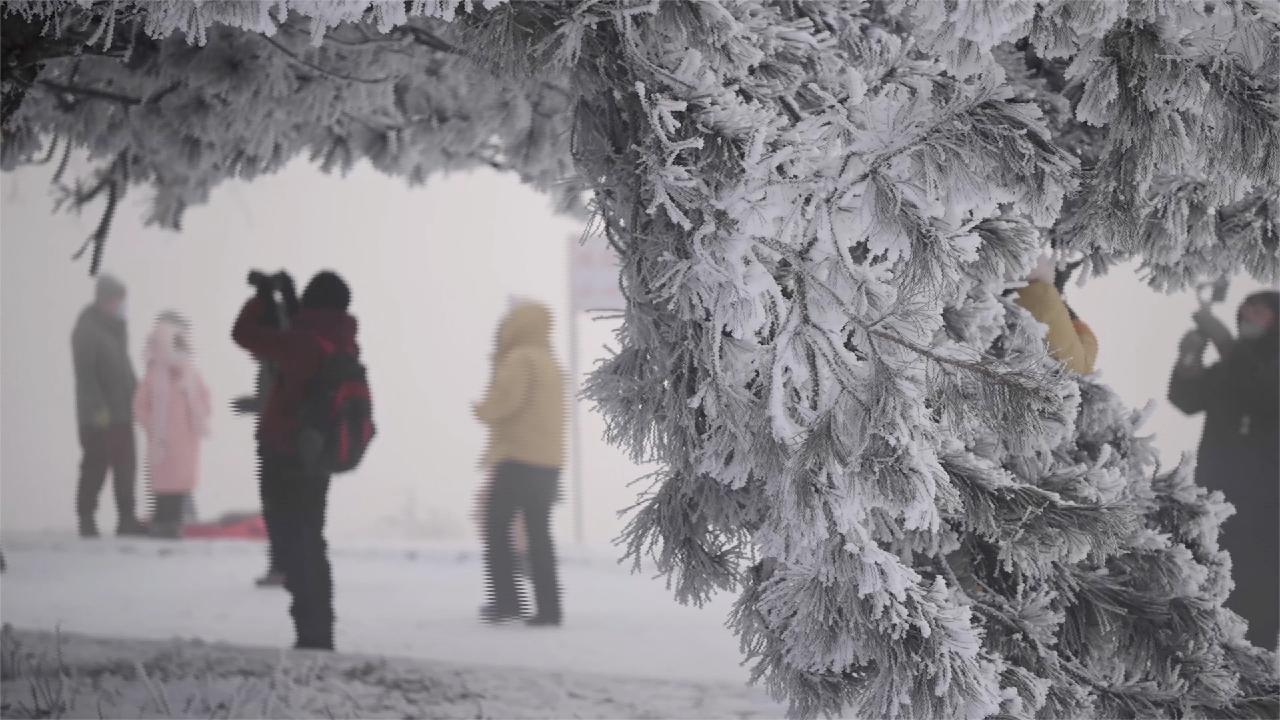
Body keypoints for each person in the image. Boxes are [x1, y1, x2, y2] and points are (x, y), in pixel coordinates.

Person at [233, 269, 358, 650]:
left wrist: (261, 298)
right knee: (310, 539)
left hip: (284, 451)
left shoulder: (302, 342)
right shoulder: (342, 340)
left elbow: (245, 335)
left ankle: (312, 630)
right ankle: (318, 628)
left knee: (292, 543)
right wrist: (286, 298)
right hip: (316, 455)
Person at [1169, 290, 1279, 649]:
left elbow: (1265, 390)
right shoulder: (1231, 367)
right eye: (1245, 308)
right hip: (1217, 488)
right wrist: (1191, 353)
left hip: (1267, 503)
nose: (1247, 314)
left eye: (1259, 311)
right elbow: (1187, 398)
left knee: (1257, 592)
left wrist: (1221, 339)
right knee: (1212, 578)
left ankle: (1255, 678)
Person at [474, 300, 566, 626]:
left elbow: (504, 403)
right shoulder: (549, 362)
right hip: (549, 462)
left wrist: (482, 409)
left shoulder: (520, 359)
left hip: (518, 458)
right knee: (539, 533)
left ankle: (507, 601)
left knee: (496, 527)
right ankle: (549, 608)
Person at [232, 274, 298, 588]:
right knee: (295, 508)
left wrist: (261, 297)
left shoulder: (282, 348)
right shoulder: (300, 344)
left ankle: (284, 566)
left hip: (280, 438)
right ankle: (291, 565)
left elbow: (241, 333)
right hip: (296, 438)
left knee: (279, 505)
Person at [72, 274, 145, 537]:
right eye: (118, 300)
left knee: (127, 466)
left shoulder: (117, 329)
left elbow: (125, 370)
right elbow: (86, 375)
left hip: (123, 412)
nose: (121, 305)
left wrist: (139, 396)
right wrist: (98, 410)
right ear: (105, 300)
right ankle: (86, 518)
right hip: (99, 417)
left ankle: (127, 518)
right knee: (96, 465)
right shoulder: (87, 330)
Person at [133, 312, 211, 539]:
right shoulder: (154, 376)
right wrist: (152, 427)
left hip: (186, 443)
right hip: (164, 443)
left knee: (180, 486)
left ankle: (177, 523)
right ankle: (163, 522)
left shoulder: (191, 375)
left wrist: (200, 418)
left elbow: (205, 400)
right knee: (165, 486)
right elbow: (140, 406)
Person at [1015, 254, 1098, 374]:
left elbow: (1087, 336)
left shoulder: (1083, 368)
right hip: (1023, 297)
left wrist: (1059, 295)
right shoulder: (1079, 370)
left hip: (1035, 288)